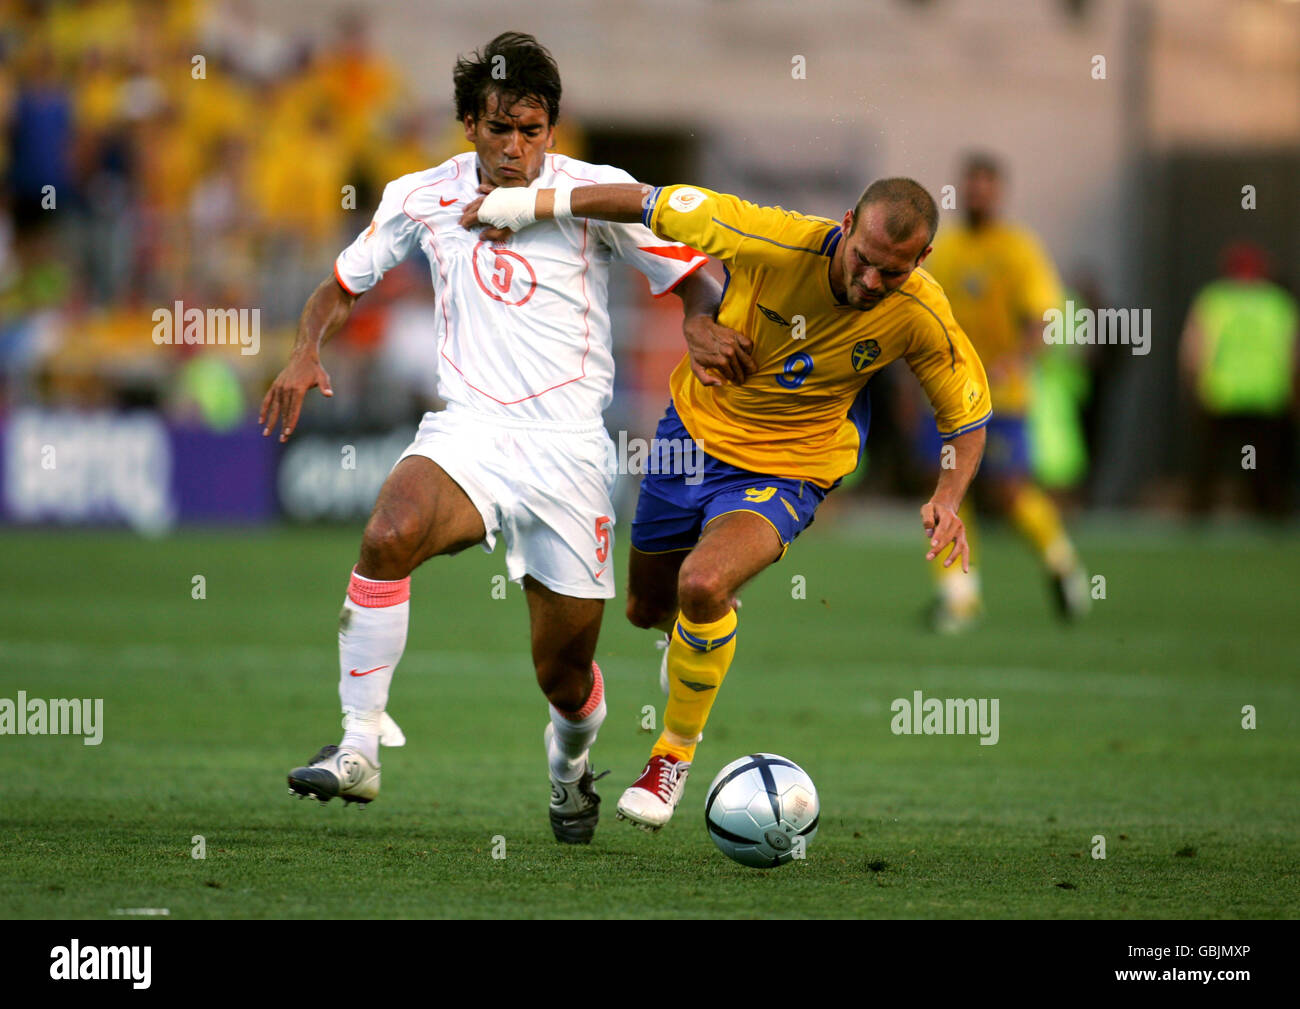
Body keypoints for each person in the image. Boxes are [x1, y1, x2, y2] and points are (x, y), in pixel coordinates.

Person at [259, 33, 744, 845]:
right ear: (467, 125)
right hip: (469, 431)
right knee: (389, 532)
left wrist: (698, 321)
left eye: (531, 129)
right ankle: (358, 743)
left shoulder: (598, 193)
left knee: (564, 676)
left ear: (552, 129)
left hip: (569, 452)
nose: (514, 147)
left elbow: (696, 270)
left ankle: (569, 767)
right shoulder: (422, 194)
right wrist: (308, 347)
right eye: (497, 129)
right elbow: (342, 283)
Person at [465, 175, 990, 830]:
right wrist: (523, 206)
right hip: (691, 436)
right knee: (644, 608)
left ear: (920, 262)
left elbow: (966, 417)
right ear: (847, 223)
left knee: (703, 582)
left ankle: (671, 757)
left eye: (894, 271)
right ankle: (698, 638)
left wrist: (948, 495)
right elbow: (646, 201)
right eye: (865, 261)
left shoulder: (920, 310)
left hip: (791, 468)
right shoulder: (765, 235)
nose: (873, 283)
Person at [922, 153, 1089, 632]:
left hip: (1004, 396)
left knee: (1009, 493)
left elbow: (1042, 318)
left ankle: (1061, 564)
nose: (976, 195)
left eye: (985, 187)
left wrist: (1015, 358)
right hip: (949, 395)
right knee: (945, 493)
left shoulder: (1019, 249)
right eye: (969, 187)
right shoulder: (946, 250)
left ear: (998, 193)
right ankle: (959, 597)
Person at [1180, 241, 1298, 518]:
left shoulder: (1214, 300)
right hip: (1266, 393)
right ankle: (1270, 511)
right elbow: (1293, 351)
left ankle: (1200, 511)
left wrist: (1192, 382)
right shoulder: (1278, 303)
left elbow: (1194, 348)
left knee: (1209, 461)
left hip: (1222, 392)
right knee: (1266, 461)